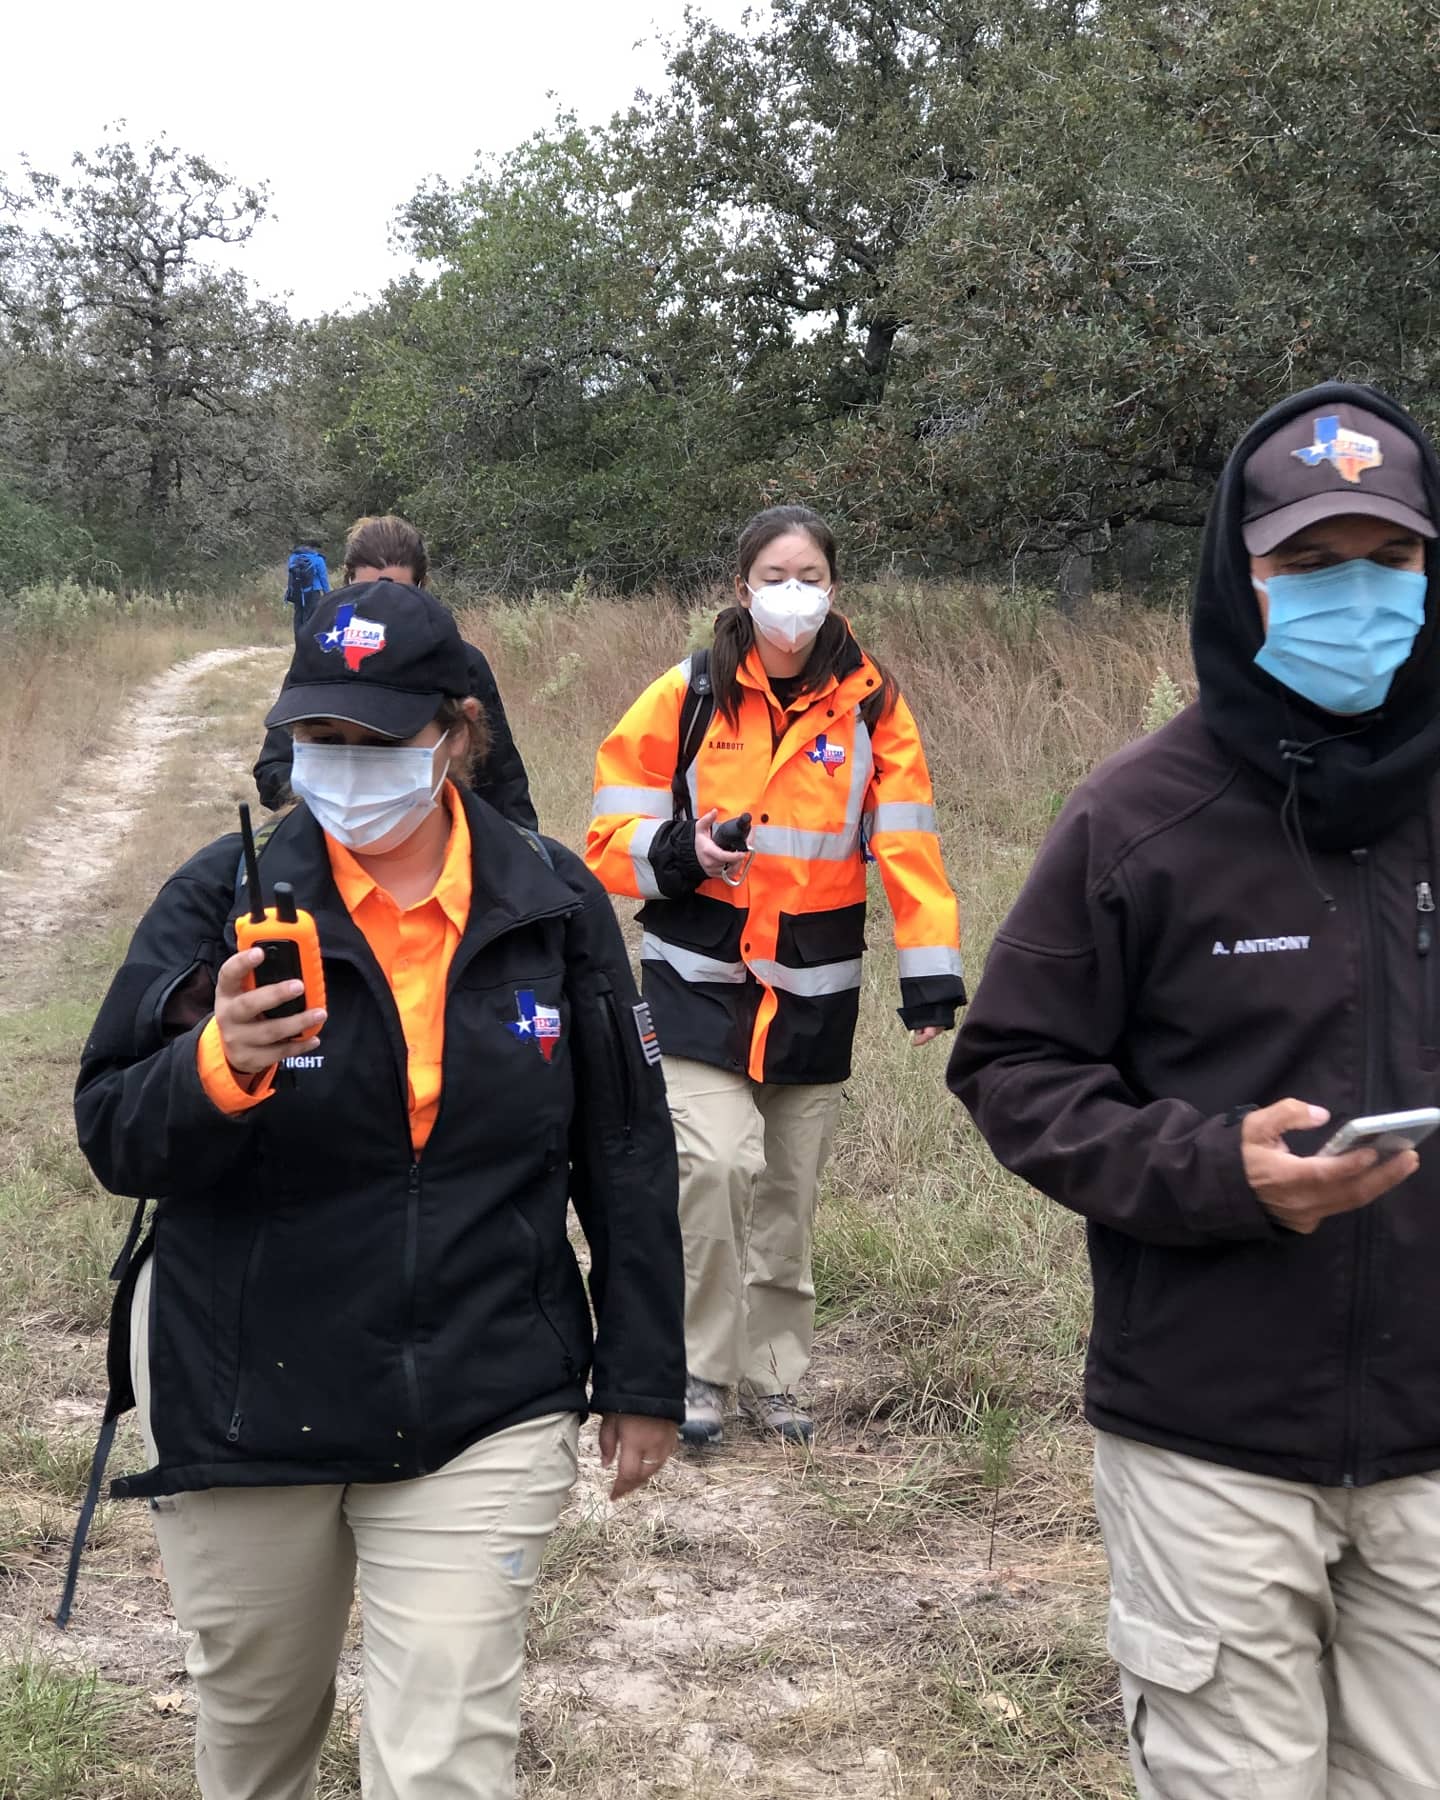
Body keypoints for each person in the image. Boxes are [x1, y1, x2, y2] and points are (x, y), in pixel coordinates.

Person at [73, 583, 685, 1800]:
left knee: (445, 1759)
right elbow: (114, 1136)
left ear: (456, 733)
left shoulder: (552, 901)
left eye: (379, 740)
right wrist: (217, 1064)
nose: (345, 767)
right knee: (255, 1739)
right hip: (247, 1391)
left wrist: (643, 1371)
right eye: (320, 739)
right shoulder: (219, 899)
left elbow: (624, 1143)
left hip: (484, 1389)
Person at [949, 384, 1440, 1798]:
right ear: (1241, 573)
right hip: (1211, 1438)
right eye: (1310, 561)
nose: (1358, 594)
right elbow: (1013, 1066)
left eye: (1393, 558)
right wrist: (1219, 1172)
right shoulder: (1137, 817)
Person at [587, 505, 965, 1449]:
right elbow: (605, 841)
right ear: (741, 587)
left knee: (789, 1195)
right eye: (774, 577)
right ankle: (701, 1369)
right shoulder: (685, 696)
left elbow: (908, 843)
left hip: (813, 991)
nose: (793, 595)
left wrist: (929, 974)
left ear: (834, 587)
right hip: (698, 978)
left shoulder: (872, 704)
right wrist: (684, 851)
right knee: (714, 1166)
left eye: (810, 577)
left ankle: (777, 1377)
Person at [256, 516, 536, 829]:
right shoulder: (323, 655)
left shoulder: (462, 662)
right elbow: (273, 767)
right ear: (347, 581)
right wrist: (332, 798)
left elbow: (503, 780)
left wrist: (520, 850)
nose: (382, 606)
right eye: (367, 590)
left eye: (398, 593)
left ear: (422, 587)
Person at [284, 540, 330, 632]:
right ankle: (307, 638)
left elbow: (291, 574)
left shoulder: (294, 557)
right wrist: (328, 594)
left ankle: (298, 637)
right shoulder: (318, 559)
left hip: (297, 591)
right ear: (314, 548)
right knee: (310, 617)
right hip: (313, 592)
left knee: (298, 616)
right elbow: (323, 578)